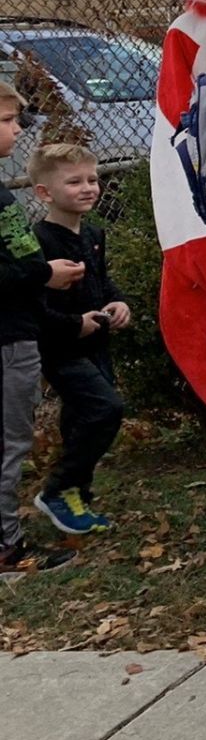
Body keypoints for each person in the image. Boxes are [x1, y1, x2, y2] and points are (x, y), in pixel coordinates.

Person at [0, 82, 83, 580]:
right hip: (6, 339)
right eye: (9, 120)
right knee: (8, 443)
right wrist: (42, 273)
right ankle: (7, 547)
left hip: (17, 331)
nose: (18, 130)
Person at [28, 143, 129, 535]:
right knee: (105, 408)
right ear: (44, 193)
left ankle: (77, 496)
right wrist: (75, 324)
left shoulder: (93, 234)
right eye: (74, 182)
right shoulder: (40, 242)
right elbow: (36, 307)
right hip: (62, 349)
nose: (88, 187)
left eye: (93, 179)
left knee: (81, 417)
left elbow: (102, 283)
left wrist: (118, 302)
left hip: (96, 344)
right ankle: (58, 490)